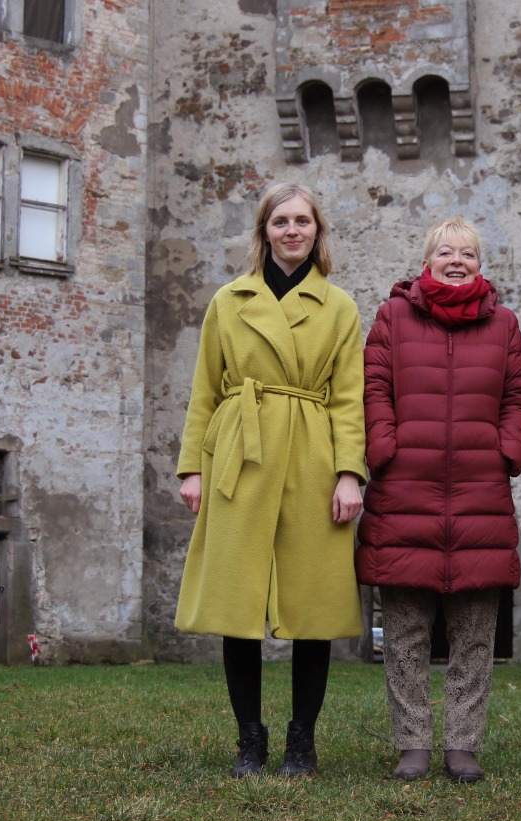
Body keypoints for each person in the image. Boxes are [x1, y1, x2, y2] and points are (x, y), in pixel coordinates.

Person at [174, 183, 366, 779]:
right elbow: (205, 388)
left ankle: (301, 742)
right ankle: (249, 739)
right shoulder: (228, 302)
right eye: (280, 221)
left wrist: (349, 474)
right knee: (238, 604)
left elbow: (349, 401)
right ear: (264, 232)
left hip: (311, 454)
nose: (292, 231)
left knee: (312, 605)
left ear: (317, 232)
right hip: (241, 452)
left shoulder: (339, 307)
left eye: (303, 221)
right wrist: (191, 469)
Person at [358, 216, 521, 784]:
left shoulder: (505, 324)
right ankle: (412, 743)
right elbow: (375, 385)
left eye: (467, 253)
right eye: (445, 252)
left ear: (480, 263)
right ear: (426, 260)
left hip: (481, 490)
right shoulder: (392, 317)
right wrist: (386, 446)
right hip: (406, 487)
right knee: (405, 630)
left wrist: (506, 448)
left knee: (474, 632)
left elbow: (518, 395)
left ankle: (462, 744)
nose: (456, 261)